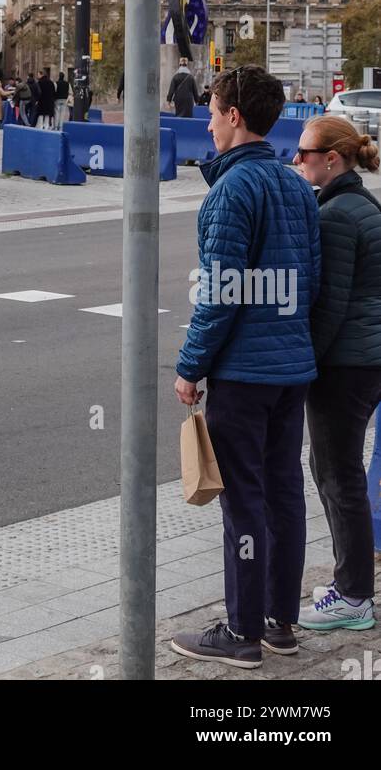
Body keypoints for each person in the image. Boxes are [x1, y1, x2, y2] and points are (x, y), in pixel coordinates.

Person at [171, 65, 320, 670]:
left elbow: (219, 293)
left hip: (244, 373)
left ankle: (241, 632)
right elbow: (309, 282)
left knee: (243, 502)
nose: (208, 124)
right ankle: (281, 623)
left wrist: (190, 366)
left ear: (234, 116)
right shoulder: (295, 185)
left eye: (212, 113)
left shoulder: (231, 191)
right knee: (284, 492)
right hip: (291, 369)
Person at [290, 115, 381, 632]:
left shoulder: (337, 216)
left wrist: (307, 363)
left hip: (346, 364)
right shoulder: (363, 204)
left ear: (332, 158)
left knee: (336, 474)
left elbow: (331, 305)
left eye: (304, 153)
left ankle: (353, 596)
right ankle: (351, 584)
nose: (296, 160)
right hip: (366, 359)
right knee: (334, 469)